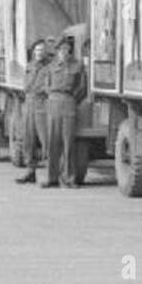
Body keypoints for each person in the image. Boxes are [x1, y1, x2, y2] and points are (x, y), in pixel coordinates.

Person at [43, 36, 87, 188]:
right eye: (61, 49)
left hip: (69, 102)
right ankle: (52, 178)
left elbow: (82, 88)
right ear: (57, 51)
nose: (64, 52)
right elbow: (46, 86)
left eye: (67, 49)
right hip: (53, 103)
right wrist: (53, 96)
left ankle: (69, 178)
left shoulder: (77, 66)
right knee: (52, 142)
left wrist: (72, 98)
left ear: (70, 51)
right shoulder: (50, 67)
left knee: (68, 143)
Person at [16, 39, 50, 184]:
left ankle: (51, 173)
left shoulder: (49, 67)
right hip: (29, 104)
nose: (39, 53)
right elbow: (25, 85)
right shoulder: (29, 66)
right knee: (27, 139)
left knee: (45, 139)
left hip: (42, 104)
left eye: (42, 50)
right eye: (37, 50)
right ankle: (30, 170)